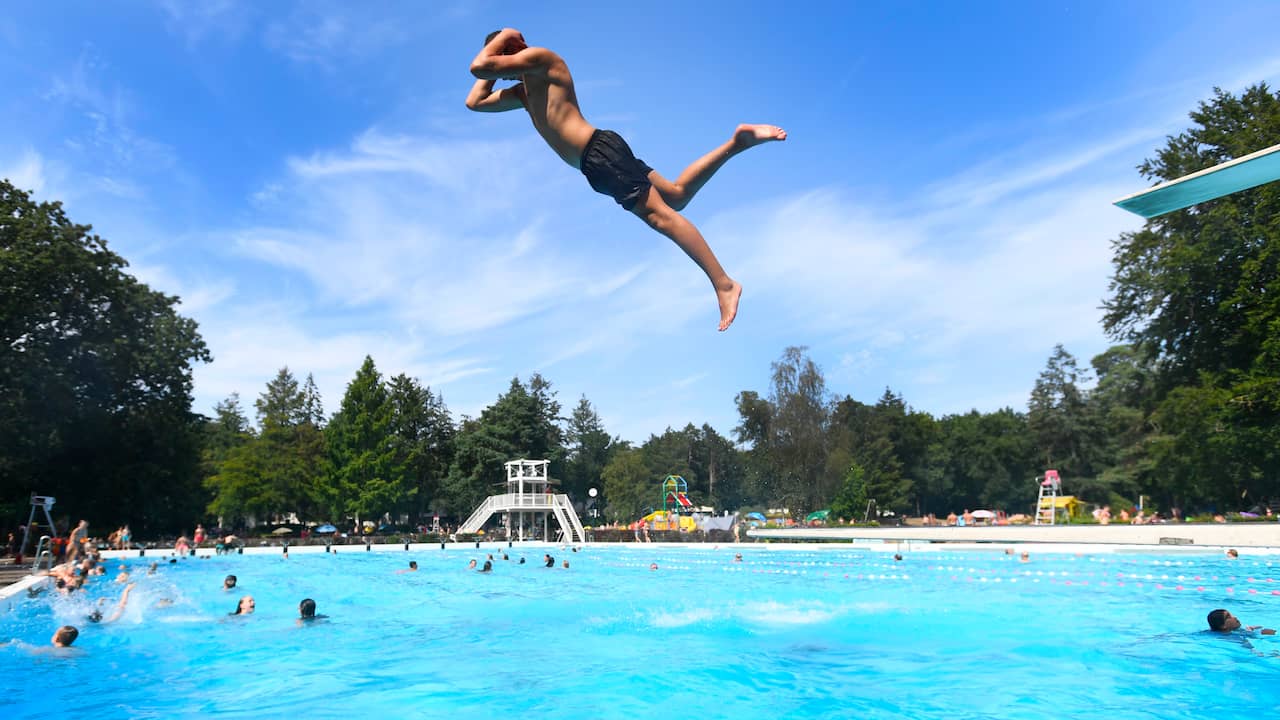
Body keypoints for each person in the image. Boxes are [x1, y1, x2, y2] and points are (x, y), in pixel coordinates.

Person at [466, 28, 786, 332]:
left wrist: (507, 34)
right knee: (676, 196)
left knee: (662, 218)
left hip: (600, 156)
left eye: (504, 60)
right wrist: (498, 50)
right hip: (599, 159)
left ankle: (724, 284)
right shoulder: (523, 93)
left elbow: (479, 67)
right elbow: (475, 101)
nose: (503, 72)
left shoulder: (542, 59)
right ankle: (737, 143)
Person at [1207, 609, 1275, 635]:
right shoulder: (1231, 637)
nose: (1234, 617)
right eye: (1228, 617)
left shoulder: (1234, 631)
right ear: (1223, 626)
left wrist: (1250, 630)